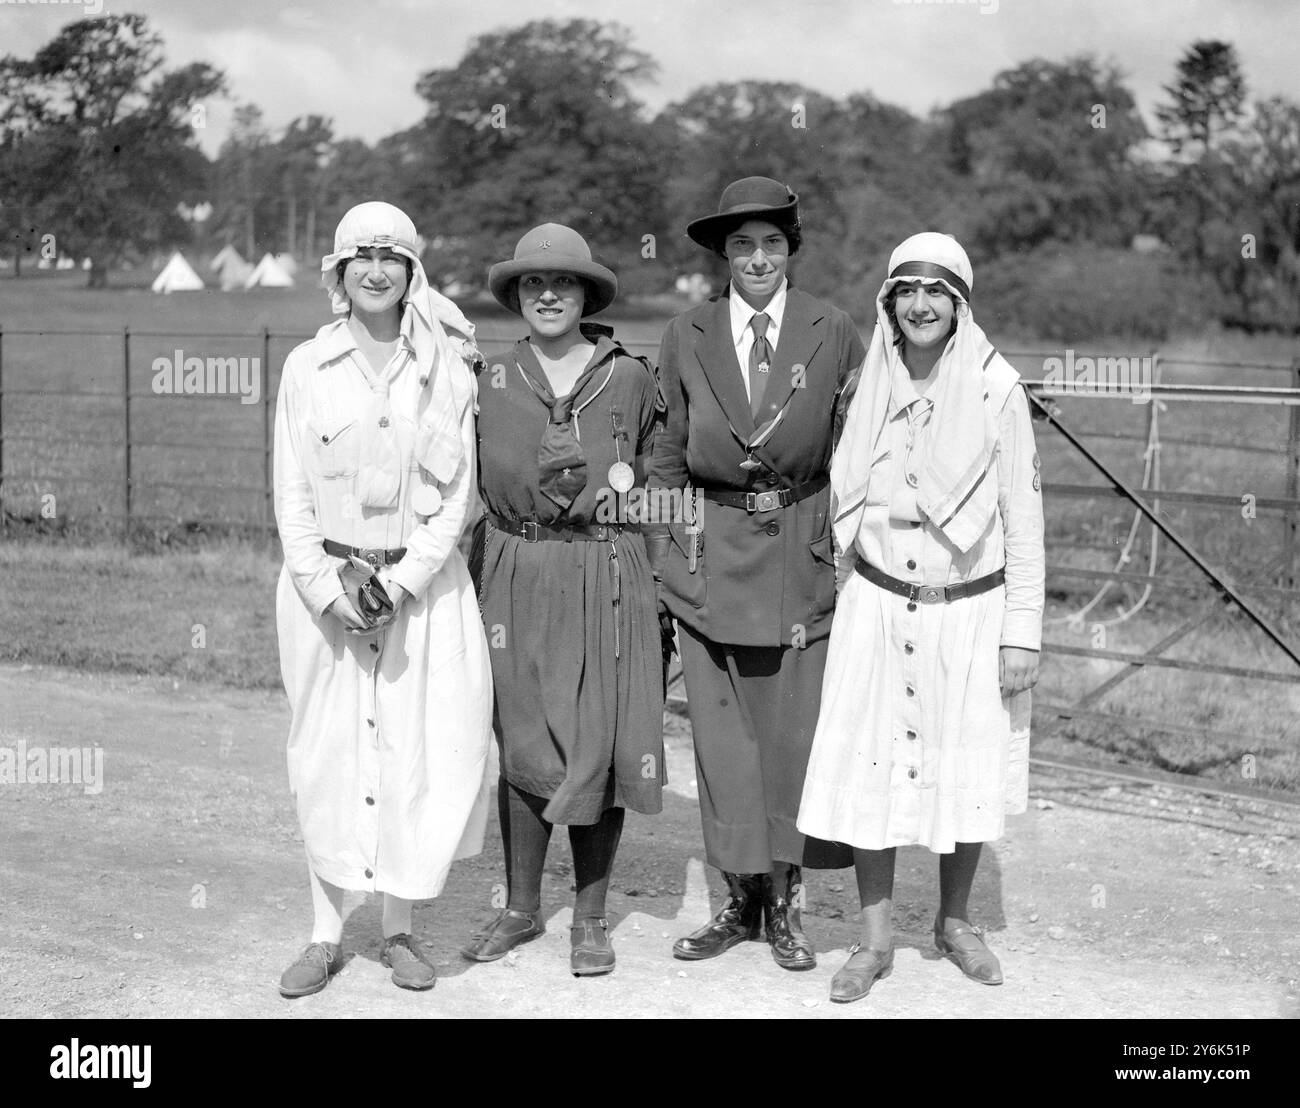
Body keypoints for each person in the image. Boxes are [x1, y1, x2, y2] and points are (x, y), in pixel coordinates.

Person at [797, 231, 1045, 1003]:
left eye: (938, 292)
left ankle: (955, 921)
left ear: (961, 305)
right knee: (871, 768)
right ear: (889, 303)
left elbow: (1025, 521)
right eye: (907, 290)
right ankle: (873, 941)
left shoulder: (997, 392)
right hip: (874, 604)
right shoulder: (866, 386)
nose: (921, 305)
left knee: (961, 767)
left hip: (967, 612)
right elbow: (842, 504)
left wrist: (1020, 632)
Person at [273, 201, 493, 996]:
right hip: (325, 595)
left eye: (391, 258)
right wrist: (328, 591)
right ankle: (324, 934)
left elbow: (458, 496)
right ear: (337, 272)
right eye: (359, 258)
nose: (375, 271)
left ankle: (398, 931)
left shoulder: (444, 368)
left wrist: (399, 584)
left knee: (413, 752)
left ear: (412, 272)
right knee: (326, 756)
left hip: (423, 593)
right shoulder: (308, 367)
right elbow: (291, 498)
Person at [647, 177, 865, 971]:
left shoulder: (833, 330)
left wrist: (849, 555)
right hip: (710, 549)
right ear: (721, 256)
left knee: (790, 737)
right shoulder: (686, 333)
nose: (758, 257)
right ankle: (738, 902)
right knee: (722, 737)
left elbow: (860, 450)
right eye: (742, 244)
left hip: (802, 549)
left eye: (772, 242)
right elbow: (665, 458)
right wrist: (669, 557)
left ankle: (786, 905)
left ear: (791, 249)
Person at [461, 223, 665, 977]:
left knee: (601, 738)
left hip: (605, 567)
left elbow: (660, 483)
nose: (549, 296)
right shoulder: (485, 376)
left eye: (565, 284)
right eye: (534, 285)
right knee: (522, 737)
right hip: (513, 568)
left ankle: (589, 917)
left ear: (587, 295)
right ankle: (518, 910)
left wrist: (665, 577)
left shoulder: (631, 378)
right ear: (516, 295)